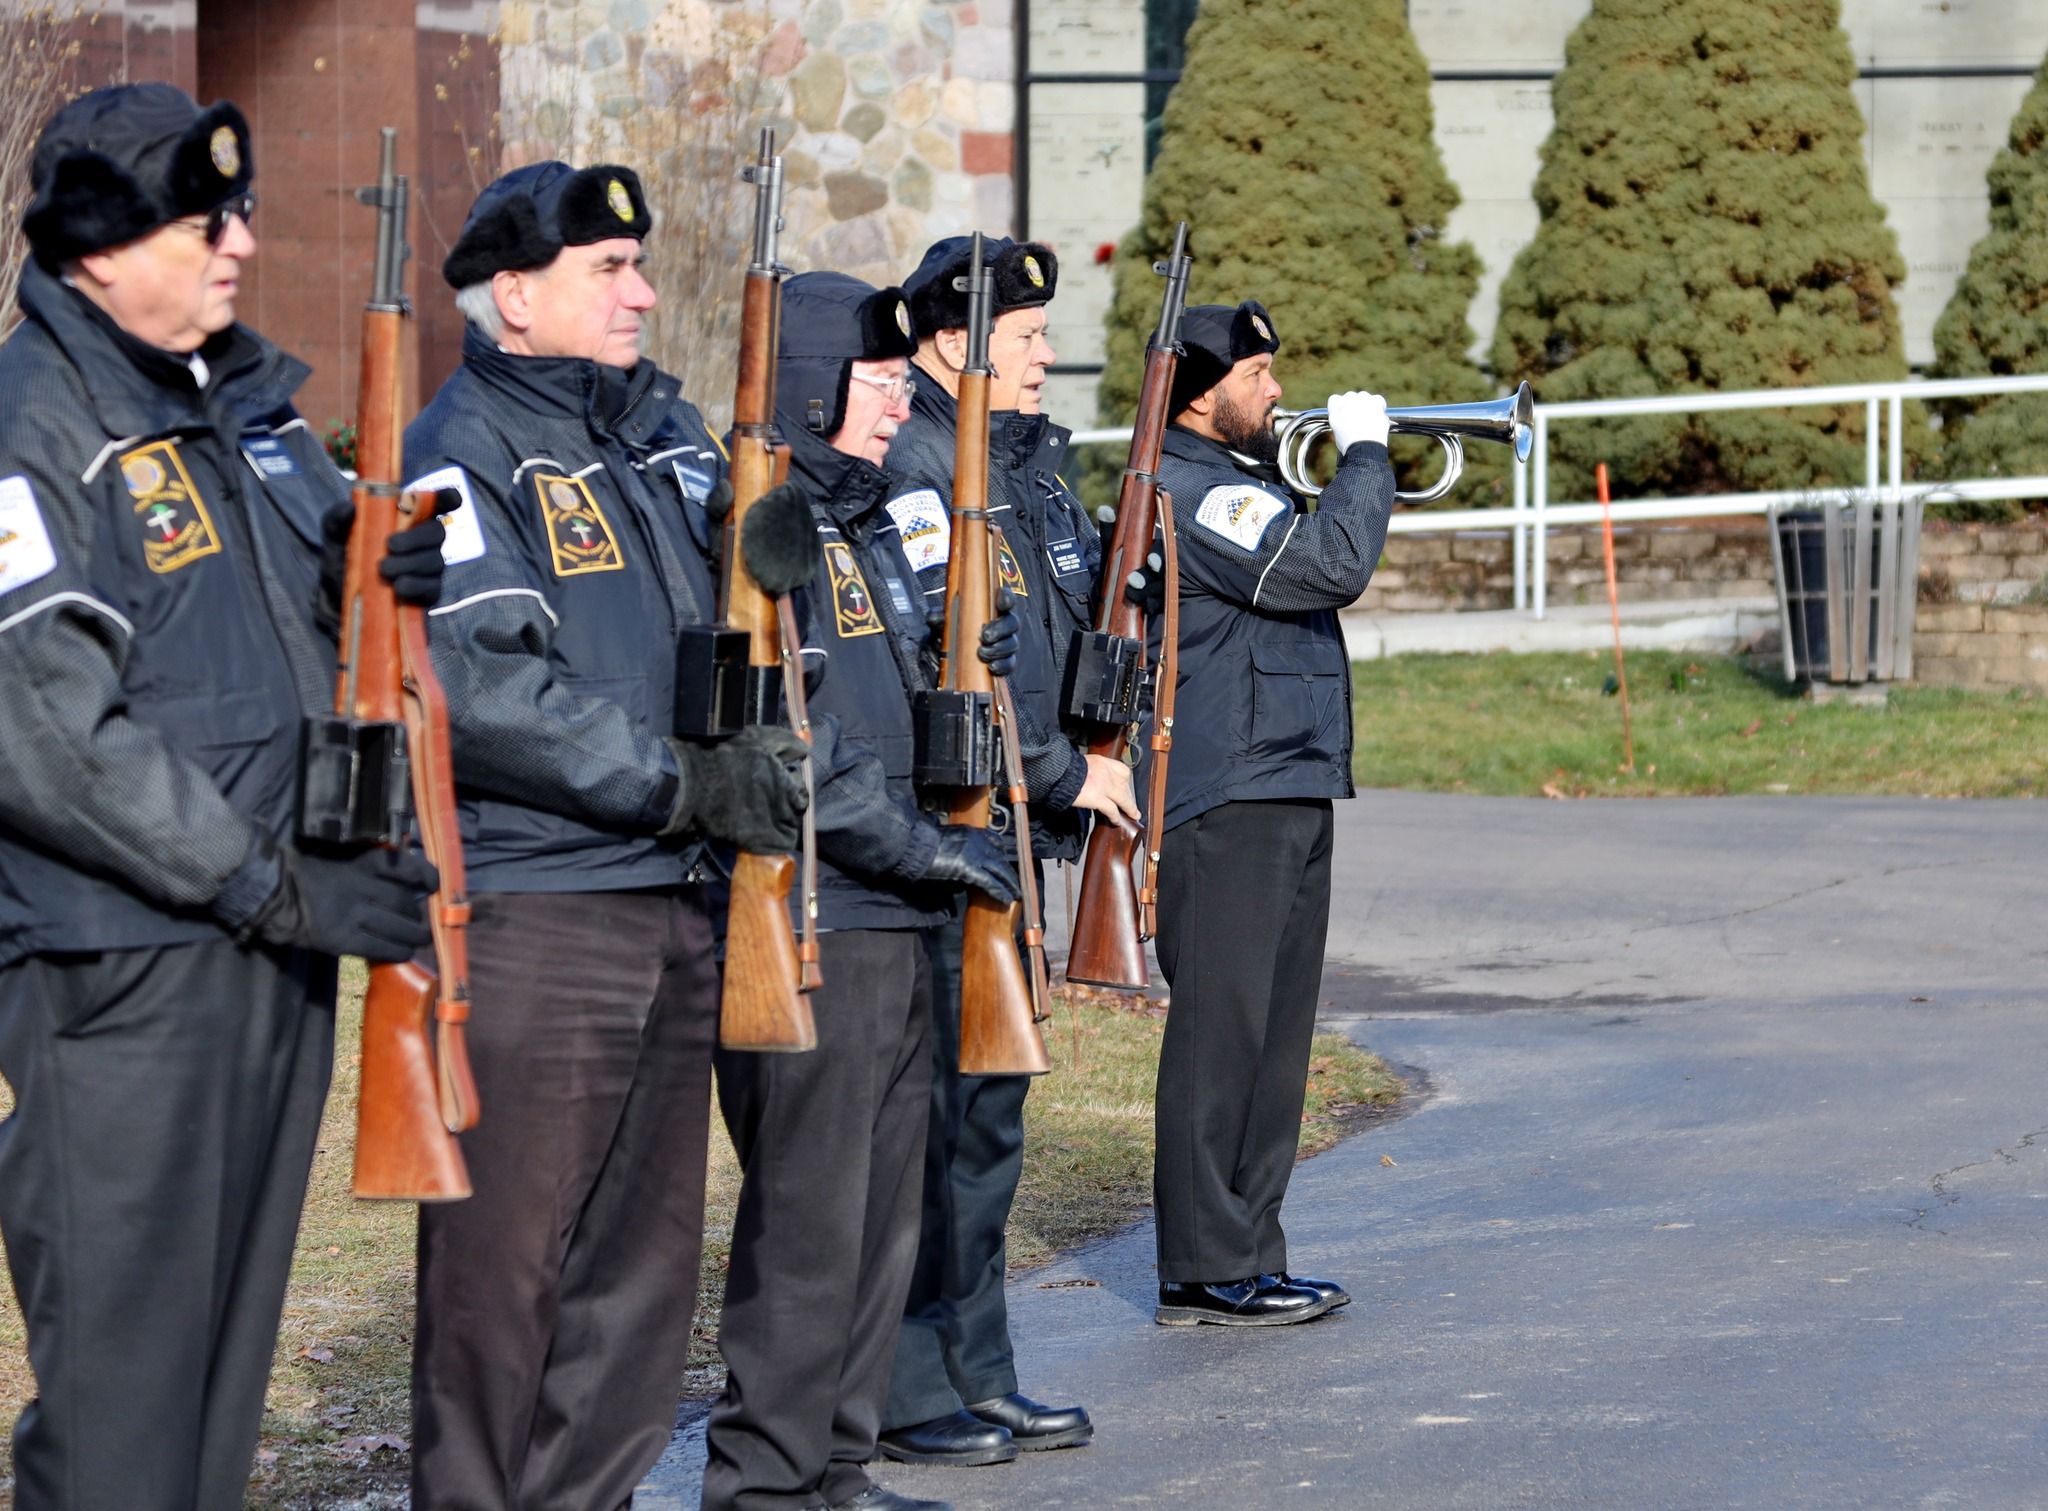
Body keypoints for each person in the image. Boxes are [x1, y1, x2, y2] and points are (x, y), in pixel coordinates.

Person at [0, 84, 444, 1509]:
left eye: (236, 213)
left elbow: (286, 626)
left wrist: (364, 573)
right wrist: (267, 876)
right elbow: (47, 730)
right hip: (122, 965)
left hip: (262, 939)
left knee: (216, 1383)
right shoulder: (32, 424)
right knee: (126, 1406)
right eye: (205, 220)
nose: (239, 245)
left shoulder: (237, 409)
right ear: (98, 246)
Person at [402, 160, 808, 1510]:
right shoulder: (463, 447)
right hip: (541, 906)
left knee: (642, 1267)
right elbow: (488, 682)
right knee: (502, 1266)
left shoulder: (651, 436)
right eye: (608, 270)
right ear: (515, 294)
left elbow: (740, 609)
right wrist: (683, 781)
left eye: (639, 265)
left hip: (672, 897)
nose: (641, 290)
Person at [702, 271, 1029, 1511]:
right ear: (808, 387)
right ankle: (764, 1482)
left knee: (883, 1210)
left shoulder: (866, 517)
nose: (899, 401)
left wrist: (967, 672)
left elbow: (887, 698)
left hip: (898, 906)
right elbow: (785, 728)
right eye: (878, 379)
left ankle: (833, 1466)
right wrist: (908, 840)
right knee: (810, 1215)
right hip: (817, 911)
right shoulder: (759, 523)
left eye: (900, 380)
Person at [875, 235, 1136, 1466]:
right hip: (952, 823)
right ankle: (911, 1383)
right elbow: (949, 665)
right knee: (940, 1121)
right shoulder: (921, 463)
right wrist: (1053, 769)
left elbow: (1047, 637)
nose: (1044, 354)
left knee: (989, 1122)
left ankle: (979, 1368)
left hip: (1012, 834)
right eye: (1024, 336)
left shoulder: (1023, 465)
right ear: (949, 340)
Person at [1144, 300, 1393, 1326]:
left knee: (1275, 1038)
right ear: (1202, 392)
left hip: (1283, 774)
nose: (1276, 390)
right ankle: (1205, 1261)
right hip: (1231, 786)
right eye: (1257, 374)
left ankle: (1249, 1249)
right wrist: (1366, 458)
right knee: (1222, 1033)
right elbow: (1324, 567)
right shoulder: (1192, 489)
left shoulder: (1233, 482)